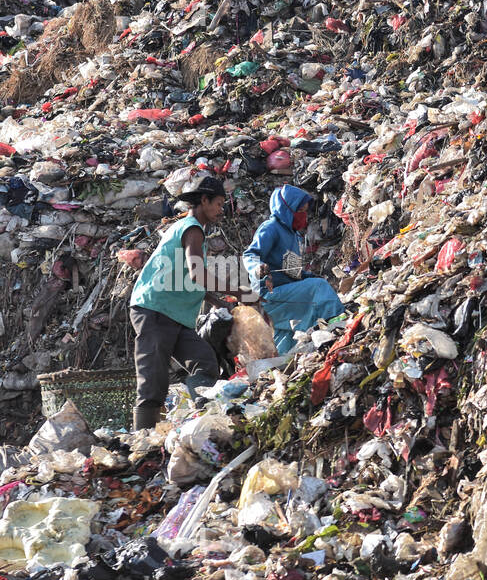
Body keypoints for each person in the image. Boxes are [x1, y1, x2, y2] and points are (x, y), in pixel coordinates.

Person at [129, 175, 235, 431]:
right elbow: (197, 273)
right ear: (204, 200)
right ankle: (143, 438)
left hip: (175, 316)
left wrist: (215, 300)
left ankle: (204, 419)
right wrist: (238, 292)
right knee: (153, 380)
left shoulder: (194, 232)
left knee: (205, 361)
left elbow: (188, 277)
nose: (221, 211)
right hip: (154, 309)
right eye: (218, 204)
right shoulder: (192, 229)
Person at [242, 185, 344, 354]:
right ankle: (338, 326)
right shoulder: (271, 228)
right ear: (287, 209)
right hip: (269, 295)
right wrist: (256, 268)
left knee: (288, 346)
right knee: (318, 287)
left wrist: (306, 276)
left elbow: (291, 271)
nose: (303, 215)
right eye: (300, 211)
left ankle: (273, 373)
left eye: (304, 211)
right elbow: (250, 254)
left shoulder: (294, 235)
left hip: (285, 296)